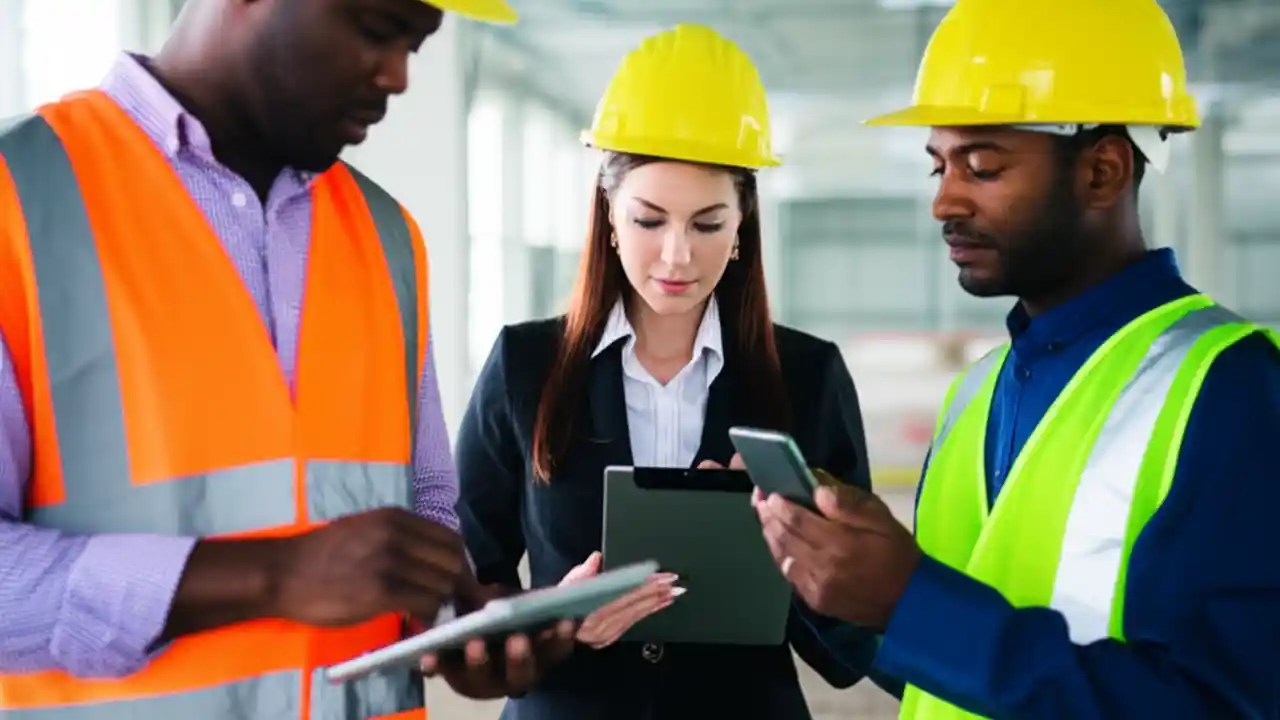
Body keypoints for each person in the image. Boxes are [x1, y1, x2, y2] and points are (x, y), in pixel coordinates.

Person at [0, 0, 575, 717]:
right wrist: (271, 575)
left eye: (417, 46)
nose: (398, 77)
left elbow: (426, 508)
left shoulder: (387, 236)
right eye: (377, 30)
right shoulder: (17, 201)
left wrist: (455, 622)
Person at [749, 0, 1280, 718]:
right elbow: (937, 679)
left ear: (1103, 171)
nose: (944, 201)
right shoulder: (977, 392)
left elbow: (1224, 703)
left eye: (983, 166)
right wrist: (821, 575)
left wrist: (911, 604)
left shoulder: (1230, 389)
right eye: (938, 165)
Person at [454, 22, 888, 720]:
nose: (677, 257)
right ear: (610, 216)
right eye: (650, 221)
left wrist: (786, 546)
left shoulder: (809, 377)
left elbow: (851, 649)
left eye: (708, 224)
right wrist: (556, 622)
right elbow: (471, 590)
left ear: (743, 221)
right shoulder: (524, 367)